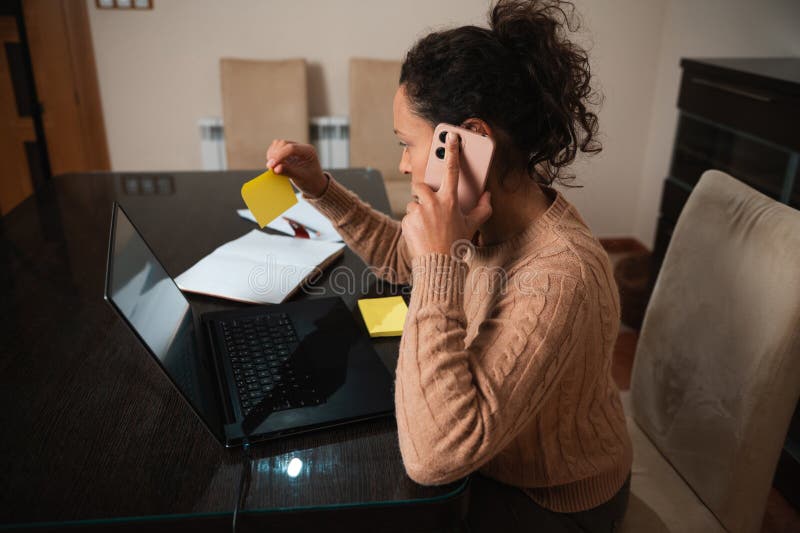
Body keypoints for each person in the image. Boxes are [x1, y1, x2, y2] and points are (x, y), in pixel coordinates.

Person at [265, 0, 632, 530]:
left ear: (462, 140)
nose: (402, 164)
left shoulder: (560, 275)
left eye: (407, 144)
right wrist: (321, 189)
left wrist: (441, 262)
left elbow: (435, 456)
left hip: (553, 500)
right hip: (492, 457)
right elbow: (399, 260)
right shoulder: (483, 217)